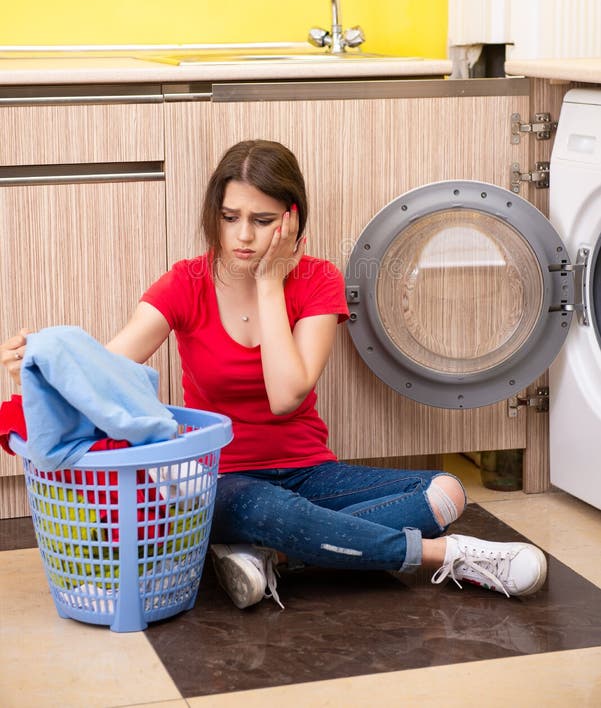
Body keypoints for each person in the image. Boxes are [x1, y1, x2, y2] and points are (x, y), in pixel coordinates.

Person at [1, 139, 547, 609]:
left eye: (262, 222)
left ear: (291, 220)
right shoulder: (186, 283)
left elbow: (286, 395)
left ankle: (277, 554)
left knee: (445, 491)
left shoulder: (317, 281)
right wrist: (43, 365)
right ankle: (446, 555)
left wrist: (268, 284)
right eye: (230, 218)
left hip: (308, 470)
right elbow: (105, 373)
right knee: (265, 507)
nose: (243, 236)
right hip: (218, 479)